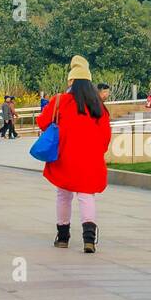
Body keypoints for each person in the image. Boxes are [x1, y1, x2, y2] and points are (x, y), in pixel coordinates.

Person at [36, 56, 111, 253]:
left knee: (63, 194)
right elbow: (105, 136)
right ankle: (89, 239)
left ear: (71, 81)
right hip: (90, 158)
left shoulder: (61, 101)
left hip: (65, 157)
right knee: (87, 196)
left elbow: (43, 122)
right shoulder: (99, 107)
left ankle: (63, 237)